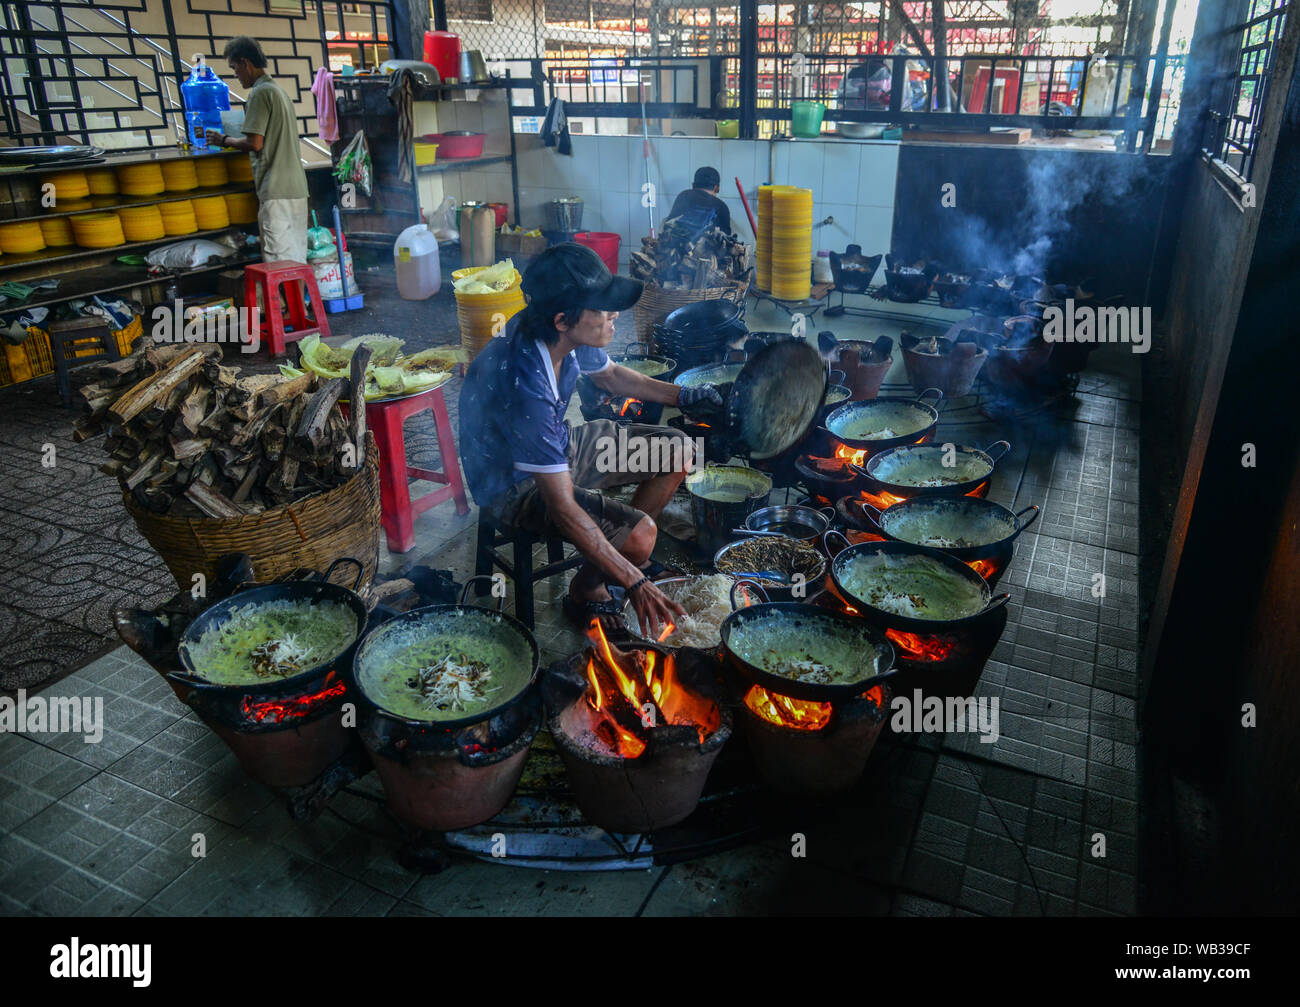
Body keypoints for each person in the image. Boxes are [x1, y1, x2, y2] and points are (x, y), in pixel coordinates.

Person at [458, 243, 723, 636]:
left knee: (680, 448)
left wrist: (682, 396)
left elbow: (612, 376)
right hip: (512, 485)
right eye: (601, 308)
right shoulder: (526, 381)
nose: (613, 315)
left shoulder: (555, 329)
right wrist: (635, 581)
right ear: (564, 320)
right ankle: (587, 588)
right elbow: (562, 507)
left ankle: (605, 568)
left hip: (556, 449)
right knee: (642, 536)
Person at [207, 36, 310, 264]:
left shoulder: (260, 93)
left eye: (235, 68)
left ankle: (283, 302)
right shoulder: (279, 92)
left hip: (276, 190)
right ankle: (299, 301)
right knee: (296, 259)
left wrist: (224, 139)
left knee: (277, 261)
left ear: (245, 63)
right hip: (297, 188)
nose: (236, 75)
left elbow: (255, 143)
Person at [665, 166, 733, 234]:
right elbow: (726, 238)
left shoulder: (684, 196)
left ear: (693, 185)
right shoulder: (721, 206)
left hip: (674, 242)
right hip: (705, 244)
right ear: (717, 188)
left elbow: (667, 225)